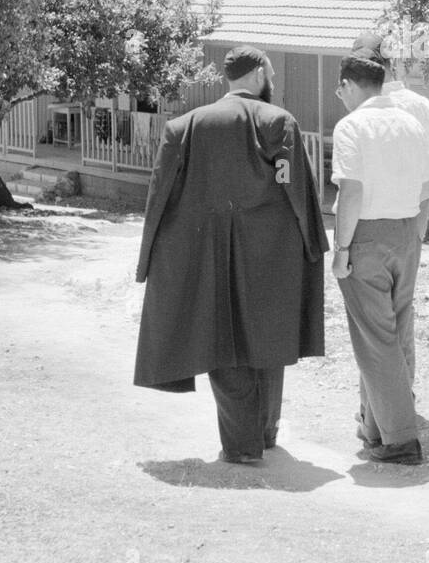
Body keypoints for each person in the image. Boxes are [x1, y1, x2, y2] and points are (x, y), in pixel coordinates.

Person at [133, 45, 328, 464]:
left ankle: (243, 445)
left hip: (207, 251)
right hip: (270, 252)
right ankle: (262, 434)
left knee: (221, 341)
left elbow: (159, 194)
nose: (272, 81)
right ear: (257, 75)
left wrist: (149, 257)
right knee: (268, 337)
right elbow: (291, 183)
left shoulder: (184, 127)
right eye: (270, 74)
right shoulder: (278, 123)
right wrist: (312, 244)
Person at [331, 52, 429, 464]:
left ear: (350, 85)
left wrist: (342, 249)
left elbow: (351, 192)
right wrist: (415, 233)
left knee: (376, 341)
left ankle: (401, 439)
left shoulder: (351, 126)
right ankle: (378, 428)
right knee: (397, 328)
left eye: (340, 88)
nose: (340, 96)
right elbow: (426, 186)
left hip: (367, 235)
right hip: (406, 230)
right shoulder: (412, 123)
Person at [350, 30, 429, 241]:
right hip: (410, 226)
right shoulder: (424, 107)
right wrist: (418, 237)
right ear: (391, 63)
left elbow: (352, 184)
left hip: (368, 226)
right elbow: (428, 179)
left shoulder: (362, 109)